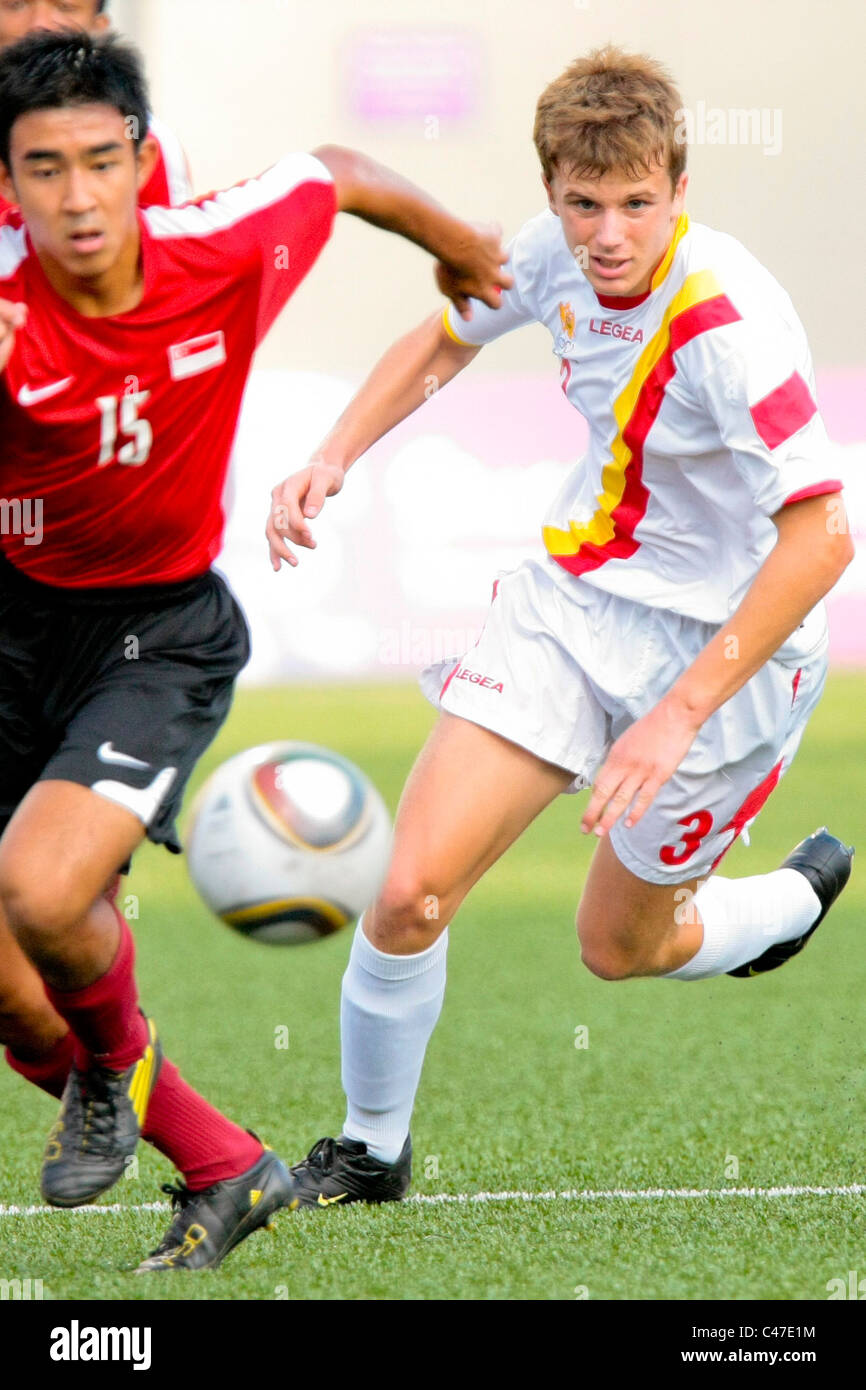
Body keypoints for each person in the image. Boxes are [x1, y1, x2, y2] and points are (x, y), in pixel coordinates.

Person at [268, 46, 855, 1207]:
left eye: (636, 202)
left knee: (617, 948)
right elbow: (445, 337)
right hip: (571, 613)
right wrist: (331, 455)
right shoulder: (552, 254)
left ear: (679, 191)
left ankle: (782, 905)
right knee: (407, 894)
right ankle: (369, 1147)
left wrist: (672, 717)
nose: (607, 232)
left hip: (728, 663)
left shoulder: (727, 324)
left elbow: (825, 538)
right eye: (582, 202)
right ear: (550, 192)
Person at [0, 29, 511, 1267]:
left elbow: (334, 171)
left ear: (140, 161)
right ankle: (228, 1168)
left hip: (157, 638)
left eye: (98, 163)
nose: (76, 198)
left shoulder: (220, 252)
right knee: (14, 992)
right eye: (41, 171)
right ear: (9, 189)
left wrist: (459, 247)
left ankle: (110, 1071)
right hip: (16, 632)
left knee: (41, 890)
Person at [0, 0, 191, 215]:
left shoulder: (140, 135)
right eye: (16, 4)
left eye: (65, 7)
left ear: (99, 27)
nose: (39, 25)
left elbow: (159, 244)